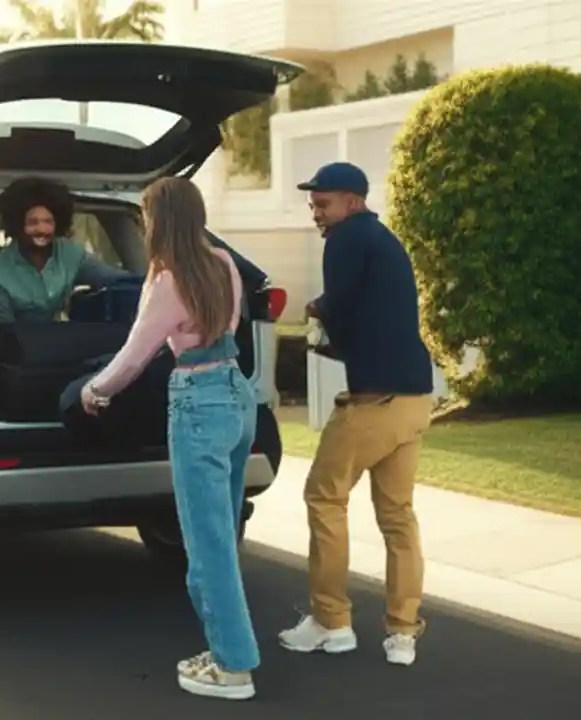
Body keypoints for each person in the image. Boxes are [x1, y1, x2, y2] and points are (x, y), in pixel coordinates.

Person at [80, 177, 260, 701]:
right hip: (236, 393)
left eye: (145, 215)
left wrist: (94, 391)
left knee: (207, 548)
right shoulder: (222, 263)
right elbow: (227, 323)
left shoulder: (167, 280)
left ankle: (233, 668)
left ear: (159, 221)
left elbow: (135, 355)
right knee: (219, 536)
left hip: (199, 404)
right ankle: (223, 647)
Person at [276, 162, 434, 667]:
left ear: (353, 200)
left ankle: (330, 622)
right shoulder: (385, 240)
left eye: (323, 204)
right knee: (397, 516)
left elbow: (338, 306)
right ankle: (403, 633)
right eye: (314, 204)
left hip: (376, 403)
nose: (317, 213)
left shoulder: (345, 239)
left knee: (324, 496)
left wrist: (318, 310)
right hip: (415, 400)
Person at [0, 177, 133, 325]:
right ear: (17, 224)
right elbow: (2, 331)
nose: (41, 230)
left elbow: (115, 279)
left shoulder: (71, 254)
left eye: (48, 222)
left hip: (63, 343)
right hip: (20, 345)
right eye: (33, 222)